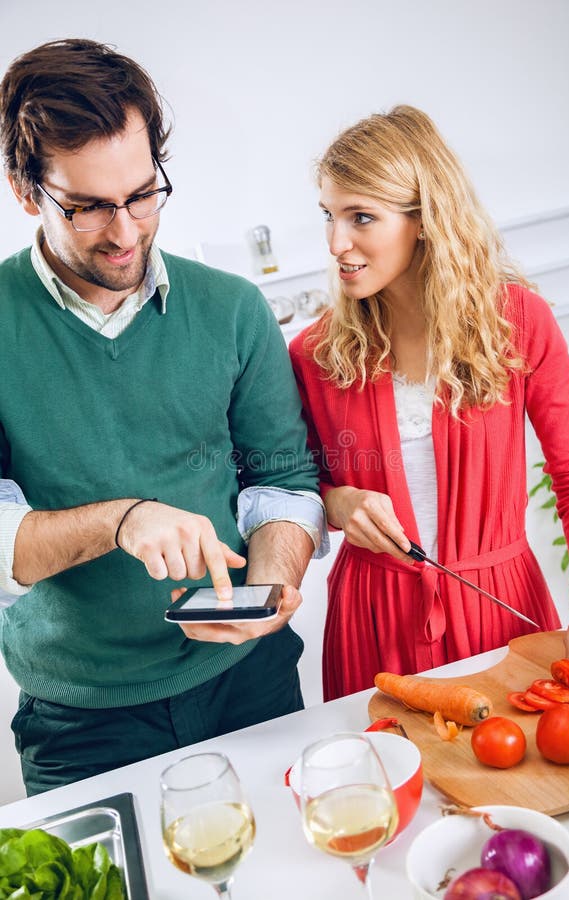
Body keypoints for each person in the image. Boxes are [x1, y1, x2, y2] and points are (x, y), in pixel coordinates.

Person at [0, 38, 327, 795]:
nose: (125, 232)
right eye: (87, 207)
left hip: (252, 685)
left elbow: (284, 481)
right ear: (26, 191)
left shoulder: (233, 310)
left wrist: (271, 586)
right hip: (81, 722)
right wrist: (123, 519)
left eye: (143, 194)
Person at [289, 105, 569, 702]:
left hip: (503, 613)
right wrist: (337, 501)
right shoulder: (313, 354)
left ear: (425, 219)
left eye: (361, 218)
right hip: (370, 623)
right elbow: (292, 489)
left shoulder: (519, 323)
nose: (335, 242)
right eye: (328, 215)